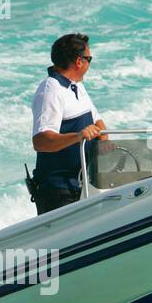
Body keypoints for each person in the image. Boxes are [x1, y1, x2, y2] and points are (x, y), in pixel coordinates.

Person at [28, 33, 106, 214]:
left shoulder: (76, 85)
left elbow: (97, 120)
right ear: (79, 61)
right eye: (89, 59)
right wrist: (78, 137)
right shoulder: (51, 90)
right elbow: (41, 141)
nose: (89, 64)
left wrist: (105, 143)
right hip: (59, 191)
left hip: (84, 184)